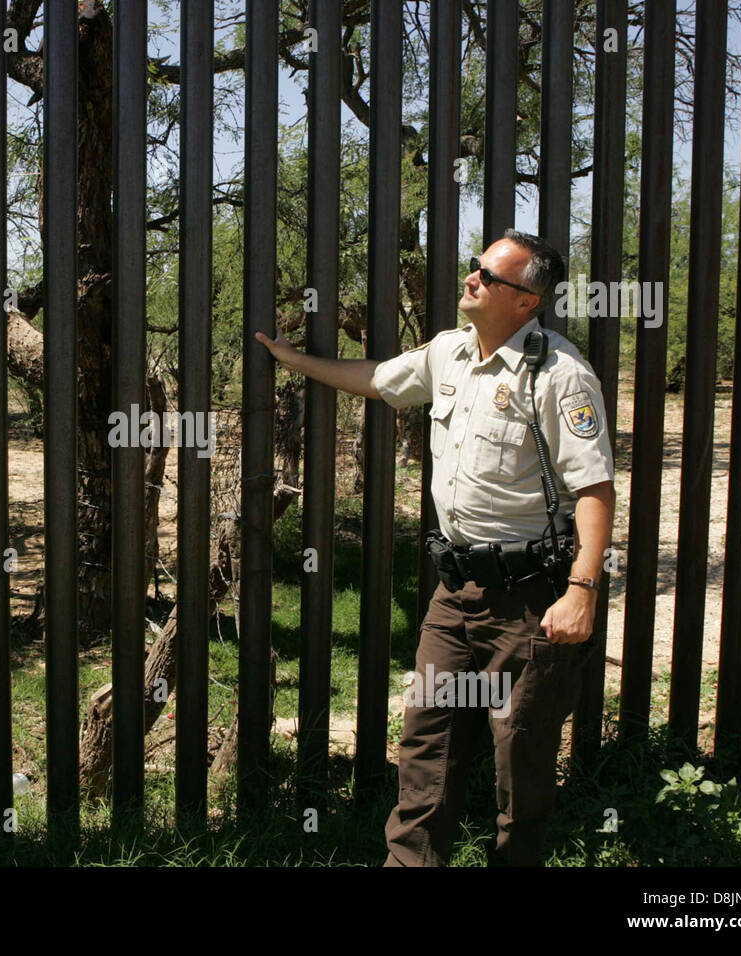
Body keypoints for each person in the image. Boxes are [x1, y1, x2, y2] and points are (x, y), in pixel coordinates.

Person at [254, 229, 616, 866]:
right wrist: (293, 360)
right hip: (455, 596)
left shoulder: (560, 376)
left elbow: (594, 489)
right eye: (475, 267)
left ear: (526, 301)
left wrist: (582, 592)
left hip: (529, 601)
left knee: (520, 757)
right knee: (427, 744)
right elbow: (376, 378)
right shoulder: (449, 353)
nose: (470, 280)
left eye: (487, 276)